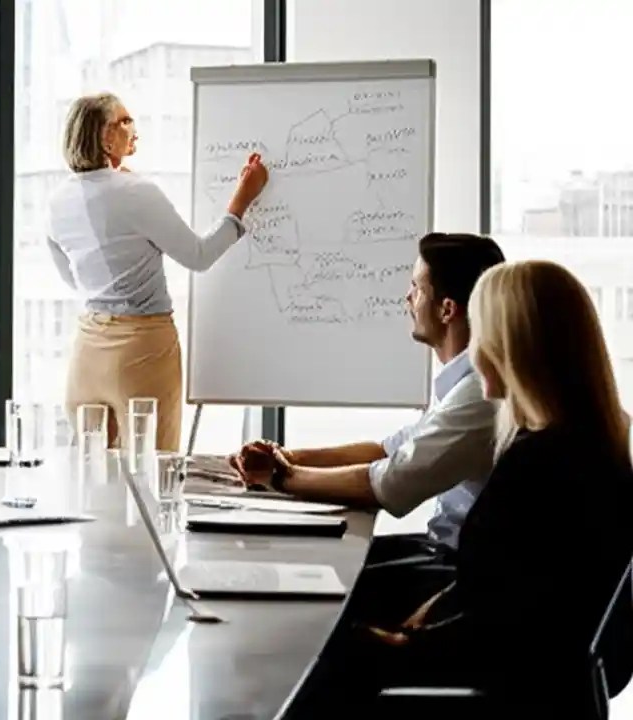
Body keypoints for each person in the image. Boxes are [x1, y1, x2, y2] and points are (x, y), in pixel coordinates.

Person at [322, 260, 633, 713]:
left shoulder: (541, 465)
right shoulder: (588, 445)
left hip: (508, 681)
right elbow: (502, 592)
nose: (473, 352)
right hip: (538, 673)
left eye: (482, 335)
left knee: (310, 654)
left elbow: (512, 620)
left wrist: (404, 642)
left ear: (513, 346)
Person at [232, 233, 506, 566]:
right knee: (326, 557)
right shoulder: (464, 382)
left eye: (417, 287)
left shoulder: (478, 394)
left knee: (321, 566)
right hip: (446, 553)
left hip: (459, 571)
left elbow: (390, 483)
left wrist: (280, 476)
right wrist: (285, 456)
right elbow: (387, 450)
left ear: (447, 309)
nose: (407, 297)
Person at [46, 92, 268, 452]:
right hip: (142, 350)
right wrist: (242, 199)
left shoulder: (56, 201)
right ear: (105, 136)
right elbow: (199, 256)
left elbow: (73, 278)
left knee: (92, 475)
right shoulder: (137, 192)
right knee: (151, 472)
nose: (134, 128)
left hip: (87, 351)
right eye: (125, 121)